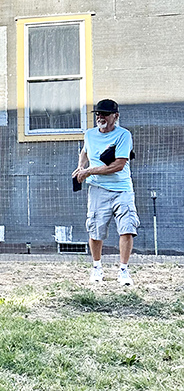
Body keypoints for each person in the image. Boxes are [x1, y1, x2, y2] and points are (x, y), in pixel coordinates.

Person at [72, 99, 139, 286]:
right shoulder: (90, 134)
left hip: (122, 189)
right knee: (95, 229)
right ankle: (96, 267)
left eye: (104, 114)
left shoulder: (124, 135)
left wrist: (89, 171)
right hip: (97, 190)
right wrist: (80, 167)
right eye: (97, 114)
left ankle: (124, 270)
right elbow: (85, 151)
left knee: (127, 228)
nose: (100, 117)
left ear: (115, 116)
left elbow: (118, 165)